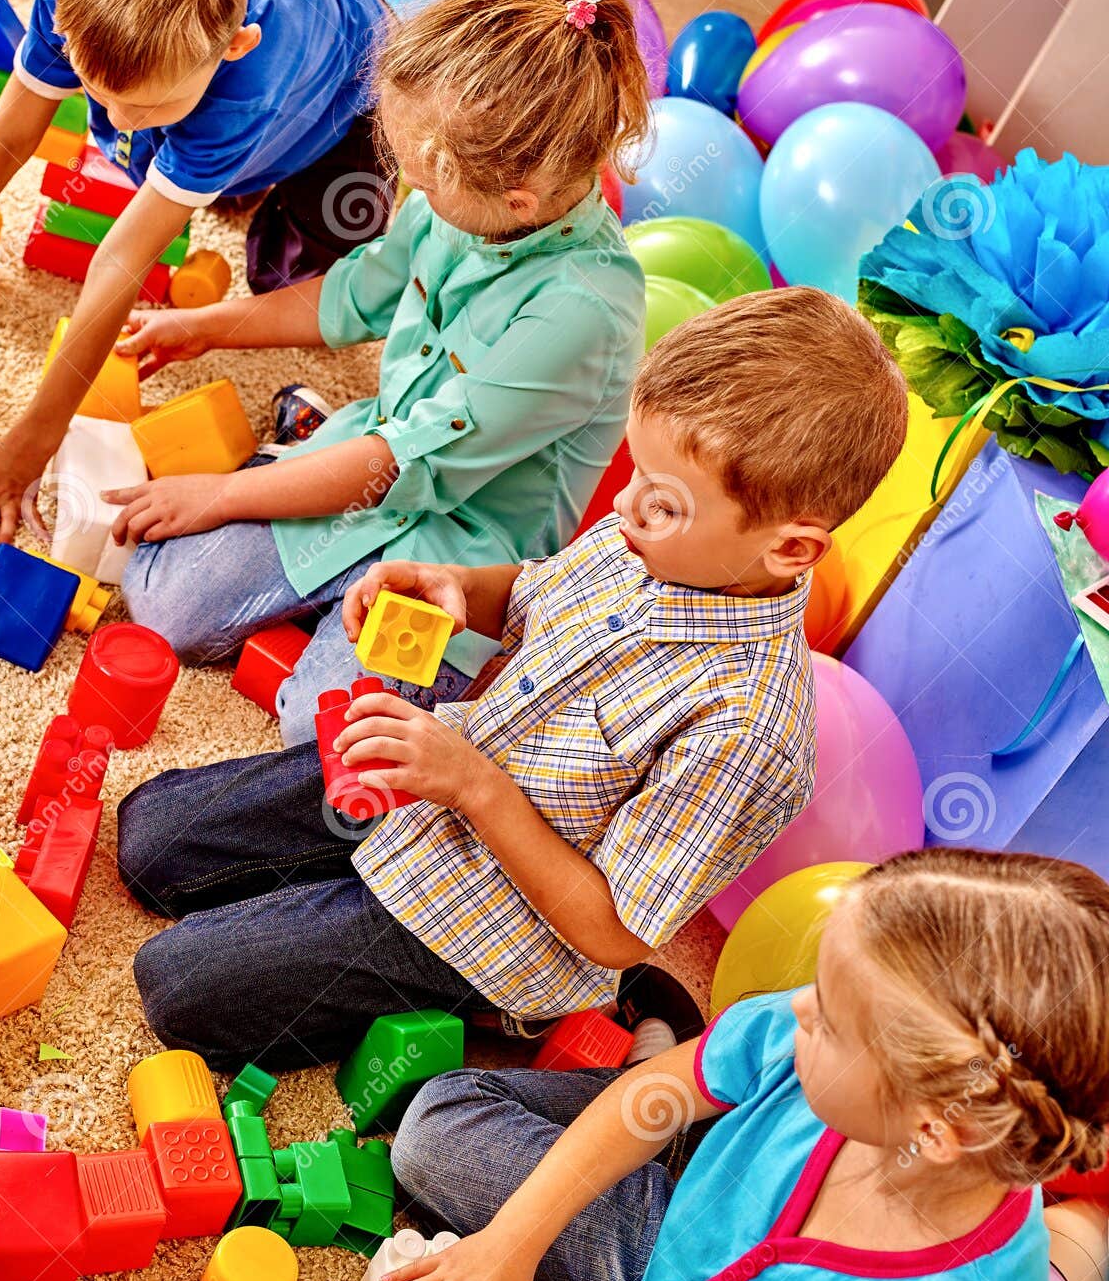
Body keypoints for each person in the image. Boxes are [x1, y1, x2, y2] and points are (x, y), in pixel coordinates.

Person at [116, 290, 907, 1069]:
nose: (624, 504)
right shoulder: (646, 538)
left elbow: (613, 930)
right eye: (636, 471)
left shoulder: (747, 732)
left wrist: (473, 785)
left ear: (791, 549)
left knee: (176, 987)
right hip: (429, 786)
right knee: (150, 838)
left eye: (662, 502)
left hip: (491, 927)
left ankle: (505, 1017)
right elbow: (534, 592)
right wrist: (456, 585)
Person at [383, 849, 1109, 1281]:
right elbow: (656, 1097)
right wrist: (513, 1243)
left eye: (832, 1019)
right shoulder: (812, 1036)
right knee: (436, 1128)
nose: (800, 1006)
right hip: (657, 1254)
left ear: (934, 1130)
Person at [107, 0, 651, 741]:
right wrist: (209, 326)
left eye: (420, 178)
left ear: (517, 201)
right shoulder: (462, 207)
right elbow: (355, 296)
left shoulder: (583, 313)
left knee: (328, 736)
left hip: (456, 554)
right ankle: (306, 479)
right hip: (363, 466)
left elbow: (402, 465)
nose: (407, 189)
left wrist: (222, 496)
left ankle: (422, 643)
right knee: (162, 605)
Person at [0, 0, 389, 547]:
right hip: (237, 81)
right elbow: (6, 136)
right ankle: (217, 162)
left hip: (358, 90)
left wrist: (34, 442)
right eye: (96, 92)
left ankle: (263, 179)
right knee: (172, 162)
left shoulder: (247, 86)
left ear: (233, 46)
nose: (112, 120)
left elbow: (122, 256)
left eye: (144, 105)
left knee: (287, 276)